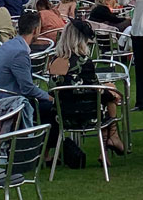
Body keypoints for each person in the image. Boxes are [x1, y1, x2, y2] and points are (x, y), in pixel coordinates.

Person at [48, 17, 125, 153]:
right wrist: (113, 95)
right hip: (86, 116)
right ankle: (112, 138)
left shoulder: (54, 61)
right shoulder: (84, 62)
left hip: (62, 115)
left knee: (108, 92)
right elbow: (96, 90)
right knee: (110, 95)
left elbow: (52, 90)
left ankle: (110, 142)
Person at [0, 10, 56, 128]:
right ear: (35, 30)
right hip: (8, 104)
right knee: (54, 108)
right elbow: (27, 89)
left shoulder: (10, 44)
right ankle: (45, 142)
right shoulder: (20, 52)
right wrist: (50, 97)